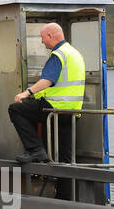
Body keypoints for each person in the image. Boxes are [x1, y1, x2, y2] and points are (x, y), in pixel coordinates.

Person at [8, 22, 86, 163]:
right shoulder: (74, 53)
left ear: (50, 35)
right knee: (65, 159)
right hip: (72, 112)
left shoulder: (58, 54)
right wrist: (36, 95)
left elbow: (48, 80)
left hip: (55, 108)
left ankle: (36, 150)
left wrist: (27, 93)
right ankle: (66, 184)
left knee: (16, 109)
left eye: (43, 37)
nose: (42, 41)